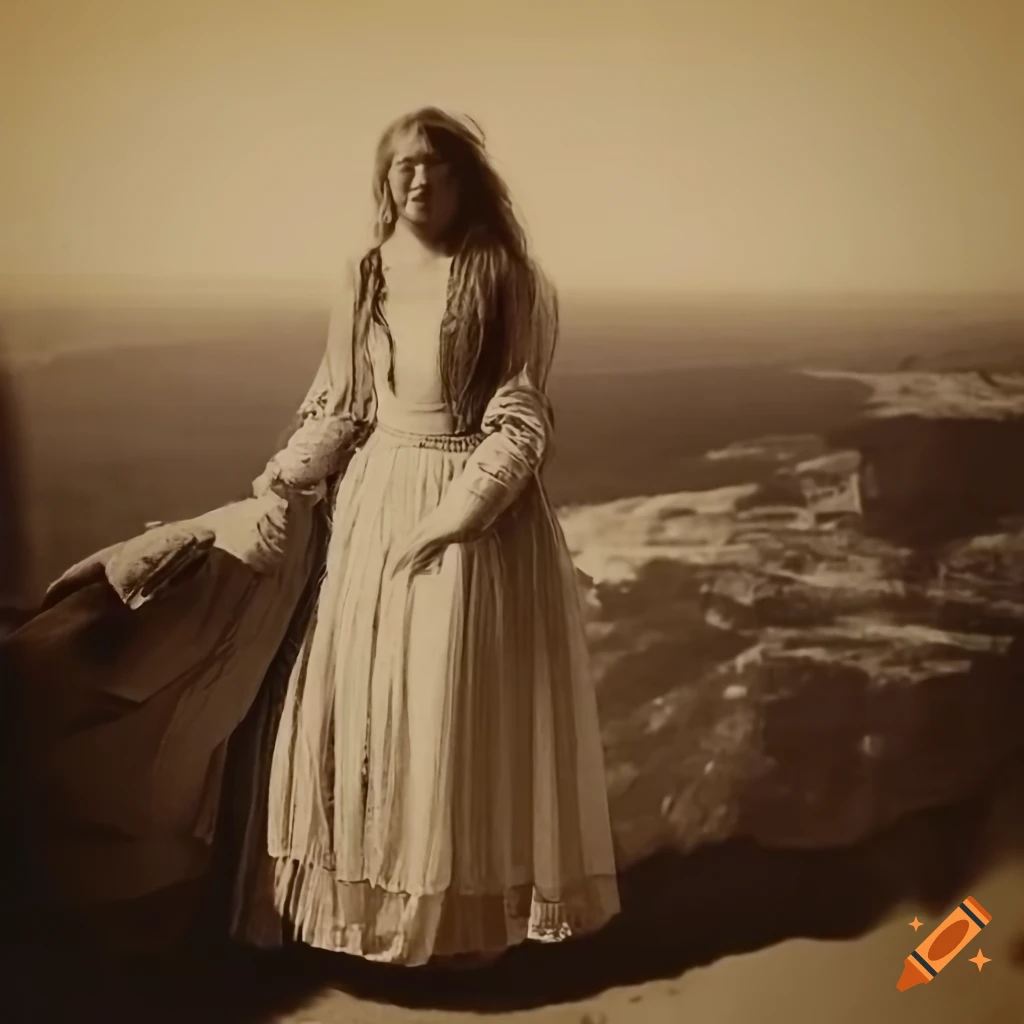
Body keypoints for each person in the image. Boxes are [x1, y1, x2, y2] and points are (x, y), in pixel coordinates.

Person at [25, 107, 620, 967]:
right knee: (365, 706)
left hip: (476, 523)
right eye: (401, 167)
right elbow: (342, 405)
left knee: (449, 709)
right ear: (383, 180)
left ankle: (458, 928)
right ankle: (368, 917)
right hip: (373, 502)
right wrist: (282, 481)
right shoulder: (364, 275)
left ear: (465, 178)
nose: (417, 181)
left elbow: (521, 418)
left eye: (436, 167)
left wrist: (460, 514)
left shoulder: (508, 277)